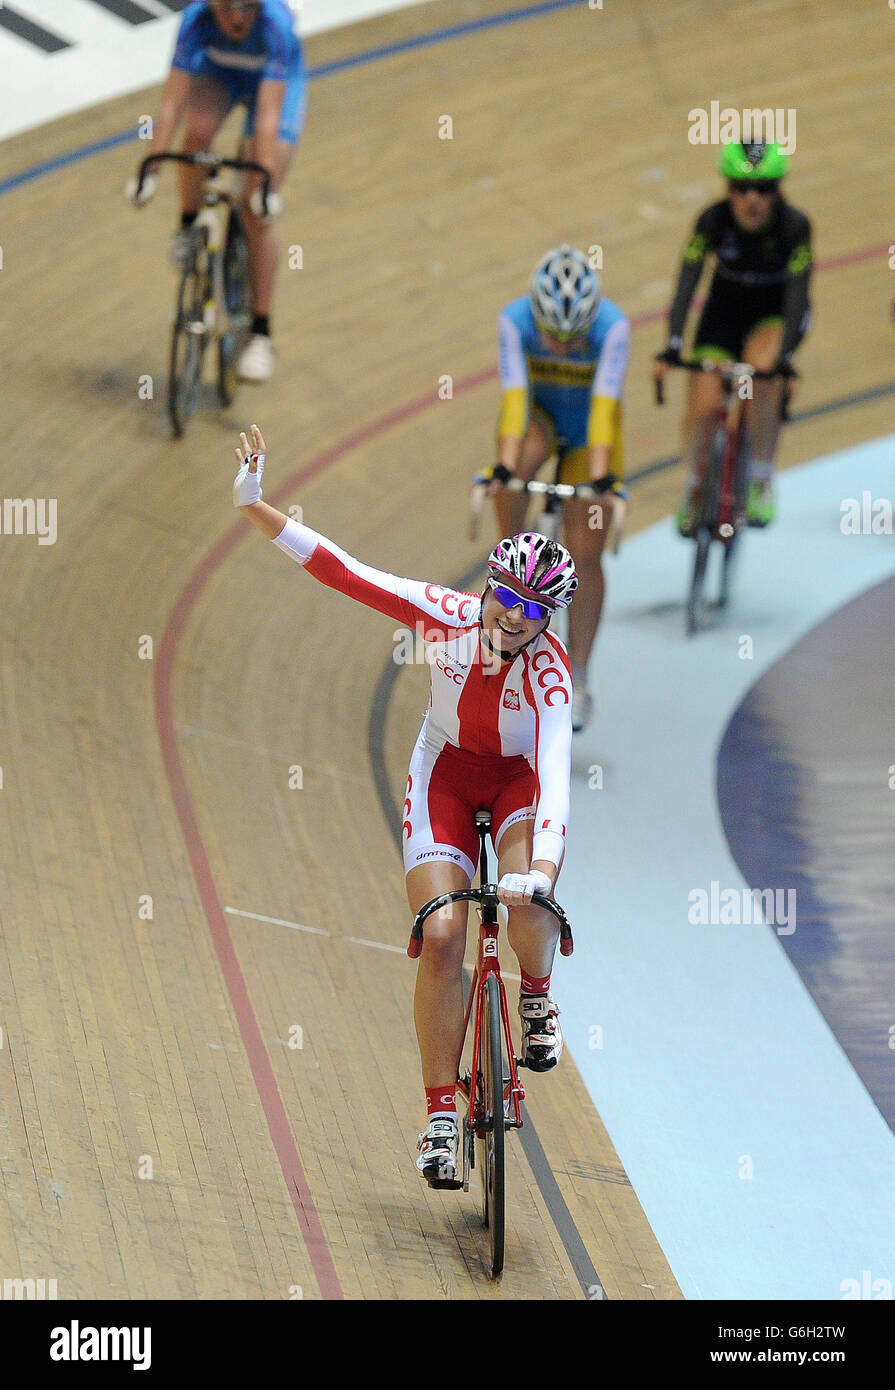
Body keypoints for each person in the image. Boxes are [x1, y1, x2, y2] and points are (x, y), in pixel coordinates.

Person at [233, 424, 578, 1189]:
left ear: (549, 618)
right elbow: (345, 572)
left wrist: (543, 876)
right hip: (446, 777)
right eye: (507, 596)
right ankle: (439, 1119)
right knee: (446, 933)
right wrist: (256, 506)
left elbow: (553, 777)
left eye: (533, 607)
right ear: (488, 586)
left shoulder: (553, 679)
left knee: (527, 906)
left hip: (517, 784)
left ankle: (537, 998)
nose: (514, 615)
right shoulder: (444, 614)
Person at [492, 245, 629, 734]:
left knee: (586, 550)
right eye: (553, 335)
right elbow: (514, 398)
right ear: (536, 316)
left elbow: (605, 405)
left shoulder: (613, 328)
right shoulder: (514, 322)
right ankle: (509, 560)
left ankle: (581, 676)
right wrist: (506, 471)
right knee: (512, 471)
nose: (564, 346)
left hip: (589, 433)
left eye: (575, 338)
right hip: (541, 420)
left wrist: (599, 479)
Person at [132, 0, 305, 383]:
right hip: (221, 74)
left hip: (276, 89)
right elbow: (172, 104)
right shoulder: (195, 21)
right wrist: (151, 168)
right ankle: (189, 223)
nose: (238, 18)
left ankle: (261, 333)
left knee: (253, 207)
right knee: (196, 135)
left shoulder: (276, 26)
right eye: (227, 8)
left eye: (246, 7)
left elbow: (267, 117)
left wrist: (262, 185)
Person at [653, 140, 812, 534]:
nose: (752, 199)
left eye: (764, 188)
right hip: (722, 317)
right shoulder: (711, 221)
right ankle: (693, 488)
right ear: (728, 189)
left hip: (773, 317)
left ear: (779, 190)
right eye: (741, 188)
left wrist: (786, 358)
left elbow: (796, 295)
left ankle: (760, 478)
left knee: (761, 374)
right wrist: (673, 344)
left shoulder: (794, 226)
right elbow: (686, 283)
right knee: (703, 407)